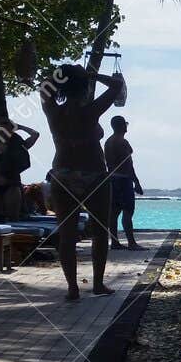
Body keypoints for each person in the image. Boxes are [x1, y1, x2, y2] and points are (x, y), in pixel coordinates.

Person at [40, 63, 123, 301]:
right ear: (84, 87)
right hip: (93, 174)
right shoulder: (91, 110)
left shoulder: (53, 111)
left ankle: (72, 288)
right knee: (100, 232)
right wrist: (92, 74)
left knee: (67, 235)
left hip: (63, 173)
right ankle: (97, 284)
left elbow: (43, 86)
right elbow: (117, 85)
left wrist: (66, 73)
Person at [0, 119, 39, 222]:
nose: (2, 128)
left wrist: (19, 126)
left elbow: (35, 134)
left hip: (11, 185)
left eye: (5, 125)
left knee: (13, 218)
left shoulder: (19, 145)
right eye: (0, 126)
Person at [104, 116, 144, 250]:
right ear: (121, 126)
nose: (127, 126)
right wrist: (136, 182)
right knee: (128, 210)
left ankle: (114, 242)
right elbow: (128, 164)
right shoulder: (122, 142)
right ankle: (131, 243)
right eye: (125, 124)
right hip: (123, 179)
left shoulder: (108, 142)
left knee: (114, 212)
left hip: (112, 179)